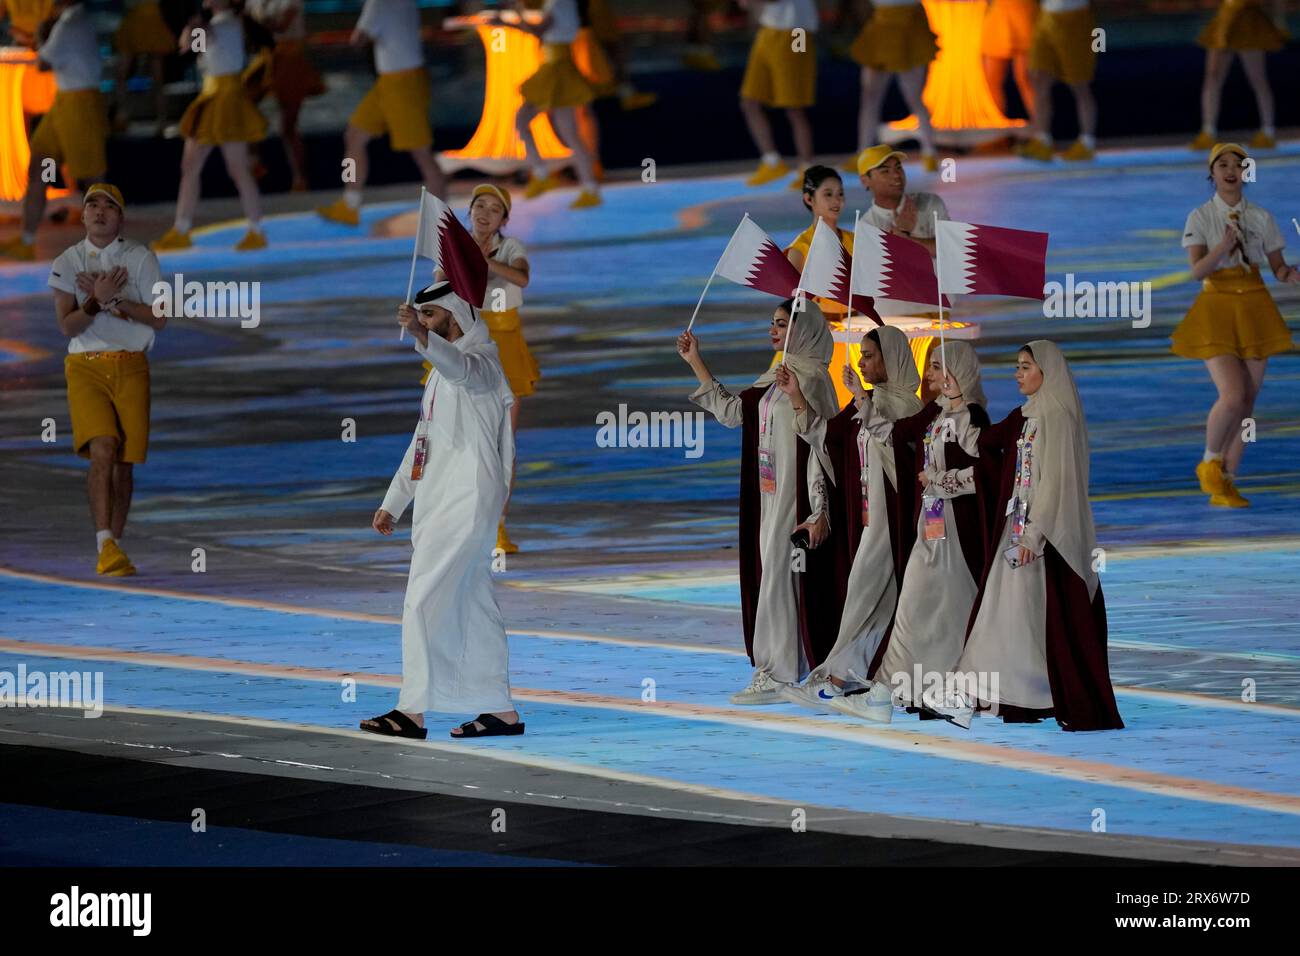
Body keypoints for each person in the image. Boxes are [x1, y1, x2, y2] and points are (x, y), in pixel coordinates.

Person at [362, 281, 523, 740]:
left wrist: (420, 335)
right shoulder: (437, 373)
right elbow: (422, 443)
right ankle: (500, 710)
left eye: (431, 316)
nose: (425, 323)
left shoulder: (483, 363)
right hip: (443, 500)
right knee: (473, 603)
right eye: (422, 317)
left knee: (422, 598)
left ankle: (410, 711)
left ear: (454, 315)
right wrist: (394, 502)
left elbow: (461, 370)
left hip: (466, 501)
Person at [949, 341, 1123, 731]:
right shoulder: (1024, 416)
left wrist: (1034, 537)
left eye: (1026, 366)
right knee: (1008, 614)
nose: (1018, 373)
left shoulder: (1057, 418)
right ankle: (1019, 699)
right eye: (1017, 366)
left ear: (1047, 371)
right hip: (1016, 531)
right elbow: (981, 446)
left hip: (1045, 538)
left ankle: (1056, 697)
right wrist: (958, 404)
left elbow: (1057, 484)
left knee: (1045, 616)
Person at [677, 299, 842, 703]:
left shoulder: (814, 379)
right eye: (772, 323)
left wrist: (819, 509)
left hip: (796, 494)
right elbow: (736, 413)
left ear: (803, 331)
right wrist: (695, 361)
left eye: (783, 324)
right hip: (768, 495)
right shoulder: (775, 376)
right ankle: (775, 668)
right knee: (770, 575)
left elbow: (823, 448)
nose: (774, 330)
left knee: (784, 579)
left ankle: (781, 671)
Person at [779, 326, 922, 719]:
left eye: (870, 356)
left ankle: (840, 680)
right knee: (875, 608)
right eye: (860, 356)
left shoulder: (907, 406)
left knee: (864, 597)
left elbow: (898, 455)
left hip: (892, 525)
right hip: (866, 520)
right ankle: (850, 678)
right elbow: (827, 437)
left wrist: (861, 398)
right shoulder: (868, 403)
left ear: (891, 359)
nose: (862, 362)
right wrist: (795, 396)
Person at [47, 184, 166, 577]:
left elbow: (159, 318)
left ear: (121, 218)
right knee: (103, 447)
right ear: (82, 216)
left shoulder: (141, 260)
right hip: (86, 366)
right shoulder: (67, 262)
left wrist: (117, 301)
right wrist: (96, 300)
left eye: (109, 206)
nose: (99, 211)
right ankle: (104, 541)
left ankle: (113, 545)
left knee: (125, 464)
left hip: (131, 366)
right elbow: (67, 325)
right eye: (92, 205)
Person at [1173, 142, 1298, 508]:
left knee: (1248, 402)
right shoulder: (1200, 217)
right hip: (1217, 307)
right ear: (1211, 173)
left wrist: (1290, 275)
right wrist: (1221, 248)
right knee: (1233, 394)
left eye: (1238, 164)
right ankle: (1210, 461)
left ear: (1246, 172)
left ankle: (1227, 480)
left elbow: (1277, 267)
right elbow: (1197, 271)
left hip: (1255, 304)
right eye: (1222, 164)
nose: (1230, 170)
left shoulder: (1261, 217)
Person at [872, 342, 992, 717]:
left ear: (958, 371)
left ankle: (943, 688)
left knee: (951, 610)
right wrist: (862, 400)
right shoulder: (937, 413)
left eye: (939, 367)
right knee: (916, 604)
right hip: (932, 526)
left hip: (959, 532)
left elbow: (985, 474)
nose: (931, 375)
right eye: (931, 367)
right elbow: (892, 433)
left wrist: (940, 480)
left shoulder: (973, 418)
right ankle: (896, 688)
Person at [428, 184, 537, 554]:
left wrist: (481, 261)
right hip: (465, 342)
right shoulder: (453, 251)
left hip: (505, 346)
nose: (485, 213)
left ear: (504, 219)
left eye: (495, 208)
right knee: (455, 439)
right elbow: (437, 292)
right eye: (479, 205)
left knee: (502, 440)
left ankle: (498, 528)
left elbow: (521, 278)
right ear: (469, 211)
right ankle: (453, 523)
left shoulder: (510, 248)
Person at [152, 0, 268, 252]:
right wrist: (193, 27)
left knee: (234, 169)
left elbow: (188, 46)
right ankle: (183, 229)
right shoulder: (222, 24)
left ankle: (255, 230)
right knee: (196, 165)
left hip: (223, 98)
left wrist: (193, 28)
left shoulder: (223, 25)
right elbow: (188, 46)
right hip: (217, 96)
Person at [317, 0, 443, 226]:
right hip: (392, 81)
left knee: (422, 155)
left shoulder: (377, 3)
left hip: (402, 85)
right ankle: (349, 204)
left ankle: (441, 223)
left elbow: (358, 39)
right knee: (354, 135)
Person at [0, 0, 106, 262]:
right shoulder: (69, 23)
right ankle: (26, 240)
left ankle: (109, 246)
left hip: (79, 103)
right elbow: (48, 56)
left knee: (92, 179)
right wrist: (36, 37)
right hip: (65, 101)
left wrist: (36, 35)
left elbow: (43, 64)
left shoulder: (70, 25)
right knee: (39, 165)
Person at [501, 0, 602, 209]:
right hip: (555, 68)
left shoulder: (559, 3)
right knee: (532, 124)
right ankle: (550, 176)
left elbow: (538, 30)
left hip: (557, 70)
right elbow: (540, 29)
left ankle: (577, 184)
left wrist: (517, 12)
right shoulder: (560, 3)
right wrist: (509, 22)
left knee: (548, 128)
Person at [847, 0, 939, 172]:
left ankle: (929, 151)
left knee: (913, 97)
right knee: (870, 96)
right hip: (882, 25)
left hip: (908, 25)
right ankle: (863, 153)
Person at [739, 0, 819, 188]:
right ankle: (772, 162)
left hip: (796, 34)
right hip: (769, 31)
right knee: (749, 101)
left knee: (794, 106)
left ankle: (808, 169)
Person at [245, 0, 324, 192]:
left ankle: (300, 179)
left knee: (288, 126)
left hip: (290, 59)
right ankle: (254, 165)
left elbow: (281, 25)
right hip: (267, 58)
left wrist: (255, 17)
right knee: (243, 106)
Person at [1190, 0, 1287, 151]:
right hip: (1226, 19)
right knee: (1213, 76)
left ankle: (1268, 130)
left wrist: (1280, 23)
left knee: (1258, 79)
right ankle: (1208, 130)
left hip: (1248, 21)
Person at [1017, 0, 1097, 162]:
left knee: (1079, 85)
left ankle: (1087, 143)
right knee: (1038, 78)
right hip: (1046, 17)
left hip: (1074, 18)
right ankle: (1042, 140)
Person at [858, 145, 948, 258]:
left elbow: (951, 250)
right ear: (865, 180)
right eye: (885, 171)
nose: (896, 175)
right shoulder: (865, 228)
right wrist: (901, 238)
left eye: (898, 167)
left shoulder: (930, 203)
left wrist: (906, 239)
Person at [112, 0, 175, 136]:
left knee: (157, 78)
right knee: (122, 74)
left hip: (149, 16)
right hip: (137, 17)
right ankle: (122, 116)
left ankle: (161, 121)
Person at [981, 0, 1038, 119]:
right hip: (999, 17)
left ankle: (1041, 130)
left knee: (1025, 79)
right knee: (991, 79)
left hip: (1023, 15)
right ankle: (999, 127)